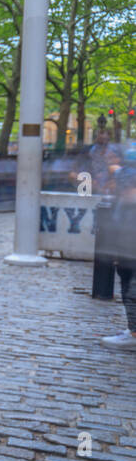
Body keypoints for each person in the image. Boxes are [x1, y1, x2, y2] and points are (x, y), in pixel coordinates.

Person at [102, 146, 136, 351]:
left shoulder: (128, 175)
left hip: (130, 243)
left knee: (131, 287)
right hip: (126, 242)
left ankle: (134, 333)